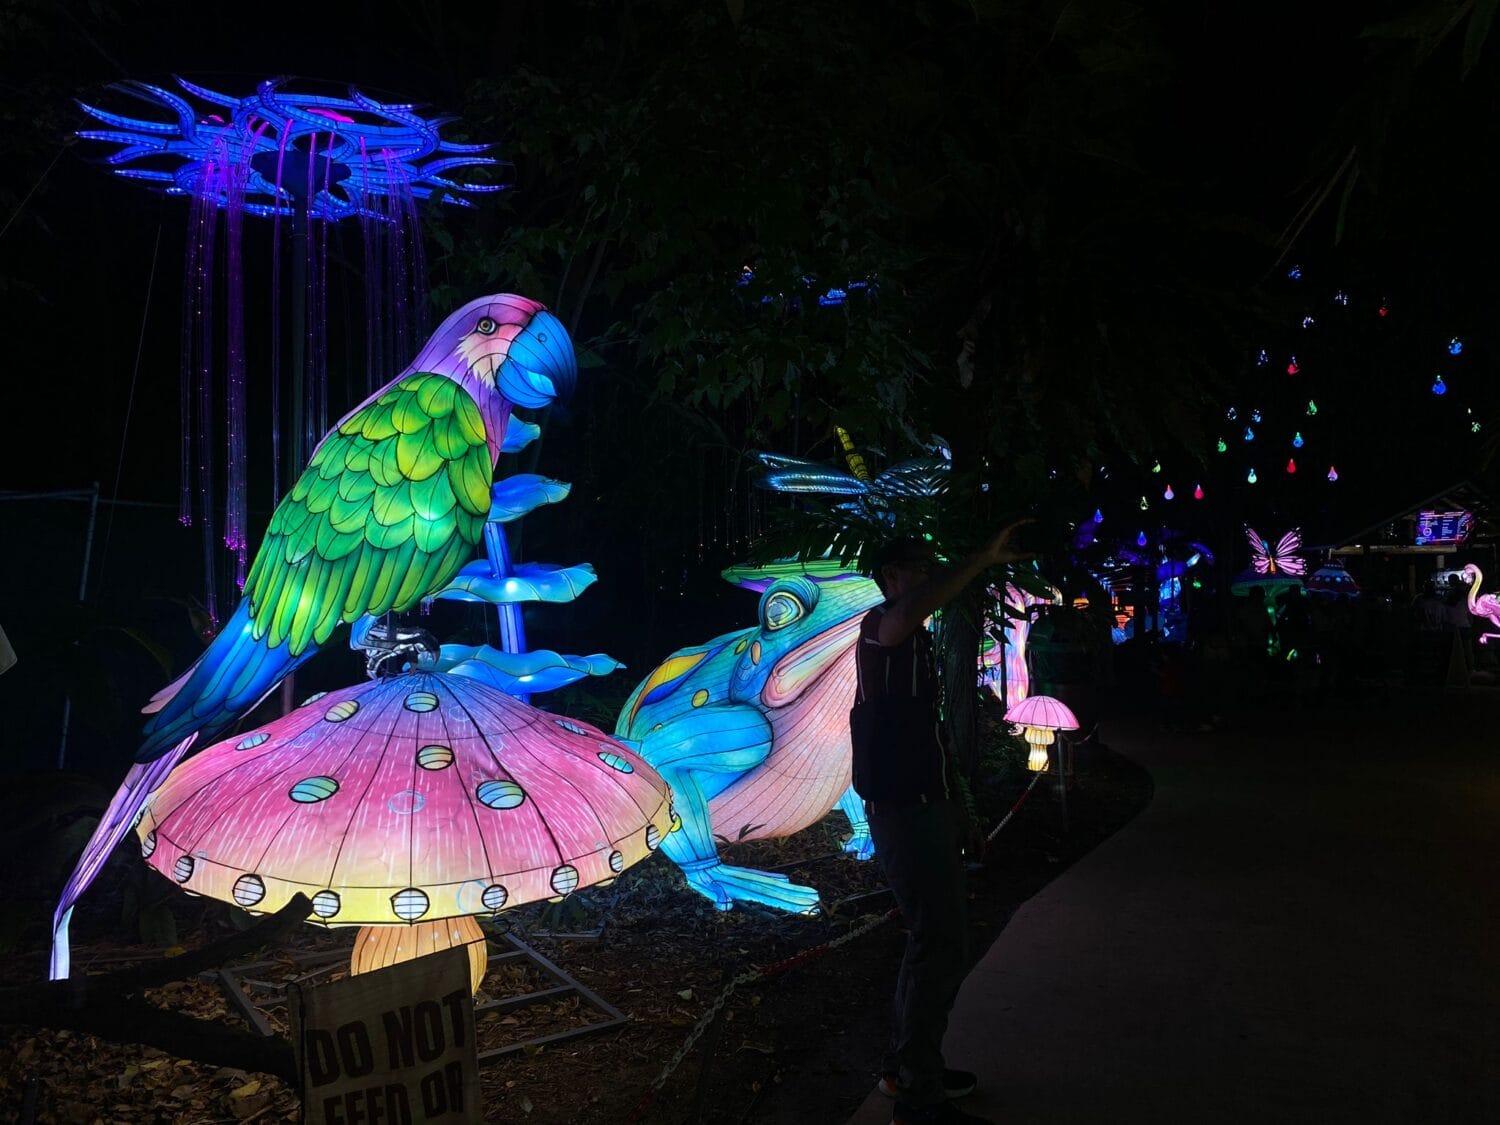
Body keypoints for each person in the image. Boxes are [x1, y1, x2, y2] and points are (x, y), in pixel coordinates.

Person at [852, 522, 1034, 1125]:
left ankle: (908, 1070)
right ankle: (918, 1094)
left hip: (924, 804)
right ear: (891, 577)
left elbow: (932, 736)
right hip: (902, 810)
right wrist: (981, 556)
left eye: (932, 567)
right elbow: (908, 612)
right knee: (940, 941)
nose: (930, 576)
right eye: (919, 567)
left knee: (932, 940)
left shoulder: (916, 644)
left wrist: (960, 809)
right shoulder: (880, 627)